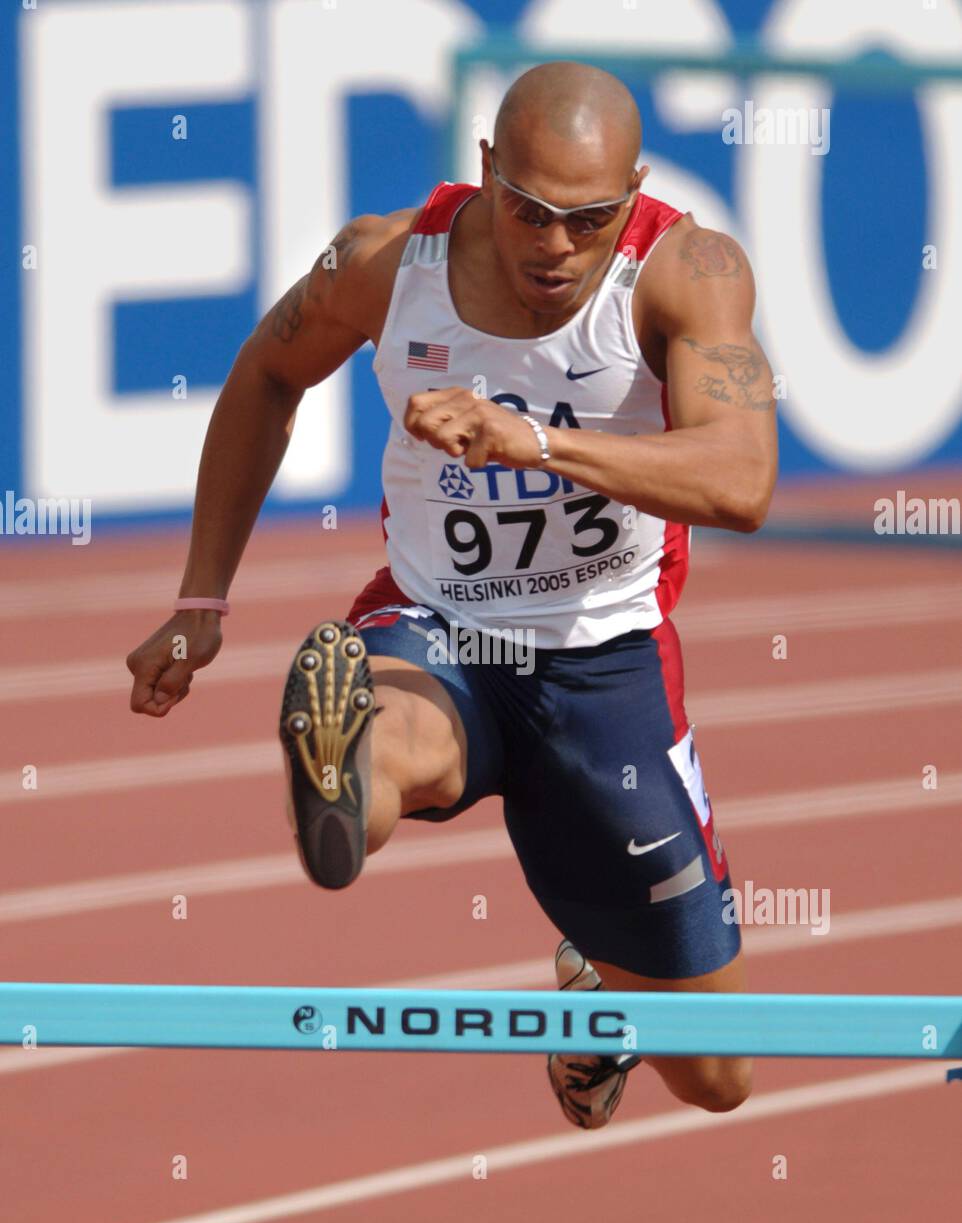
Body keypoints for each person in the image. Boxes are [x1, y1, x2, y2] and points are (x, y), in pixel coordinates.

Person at [127, 62, 777, 1129]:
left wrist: (536, 443)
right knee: (394, 749)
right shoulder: (387, 259)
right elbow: (266, 373)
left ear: (635, 190)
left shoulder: (685, 270)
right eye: (526, 209)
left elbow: (741, 479)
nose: (552, 246)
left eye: (586, 218)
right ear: (483, 171)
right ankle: (343, 775)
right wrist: (203, 602)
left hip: (603, 660)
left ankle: (596, 1005)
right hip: (437, 623)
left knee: (717, 1079)